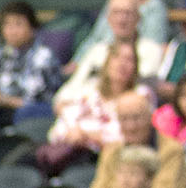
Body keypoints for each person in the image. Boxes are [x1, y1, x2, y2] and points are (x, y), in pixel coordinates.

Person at [42, 41, 150, 177]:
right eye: (116, 57)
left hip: (118, 163)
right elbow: (61, 126)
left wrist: (87, 134)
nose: (122, 64)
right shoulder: (91, 92)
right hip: (74, 156)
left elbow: (129, 135)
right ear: (107, 62)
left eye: (129, 59)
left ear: (136, 66)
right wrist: (74, 132)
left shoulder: (141, 95)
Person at [56, 0, 166, 106]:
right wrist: (61, 103)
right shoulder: (97, 50)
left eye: (128, 13)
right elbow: (73, 86)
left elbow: (137, 84)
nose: (122, 19)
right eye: (116, 13)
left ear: (138, 18)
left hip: (125, 110)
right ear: (108, 19)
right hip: (84, 110)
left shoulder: (151, 50)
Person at [0, 0, 64, 125]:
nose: (12, 31)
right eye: (7, 25)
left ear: (32, 28)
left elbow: (35, 101)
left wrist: (0, 99)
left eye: (18, 24)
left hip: (35, 114)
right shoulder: (0, 52)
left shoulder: (43, 56)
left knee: (23, 113)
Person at [91, 89, 186, 188]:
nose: (131, 126)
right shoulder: (111, 151)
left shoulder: (172, 151)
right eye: (124, 119)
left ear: (150, 117)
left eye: (136, 118)